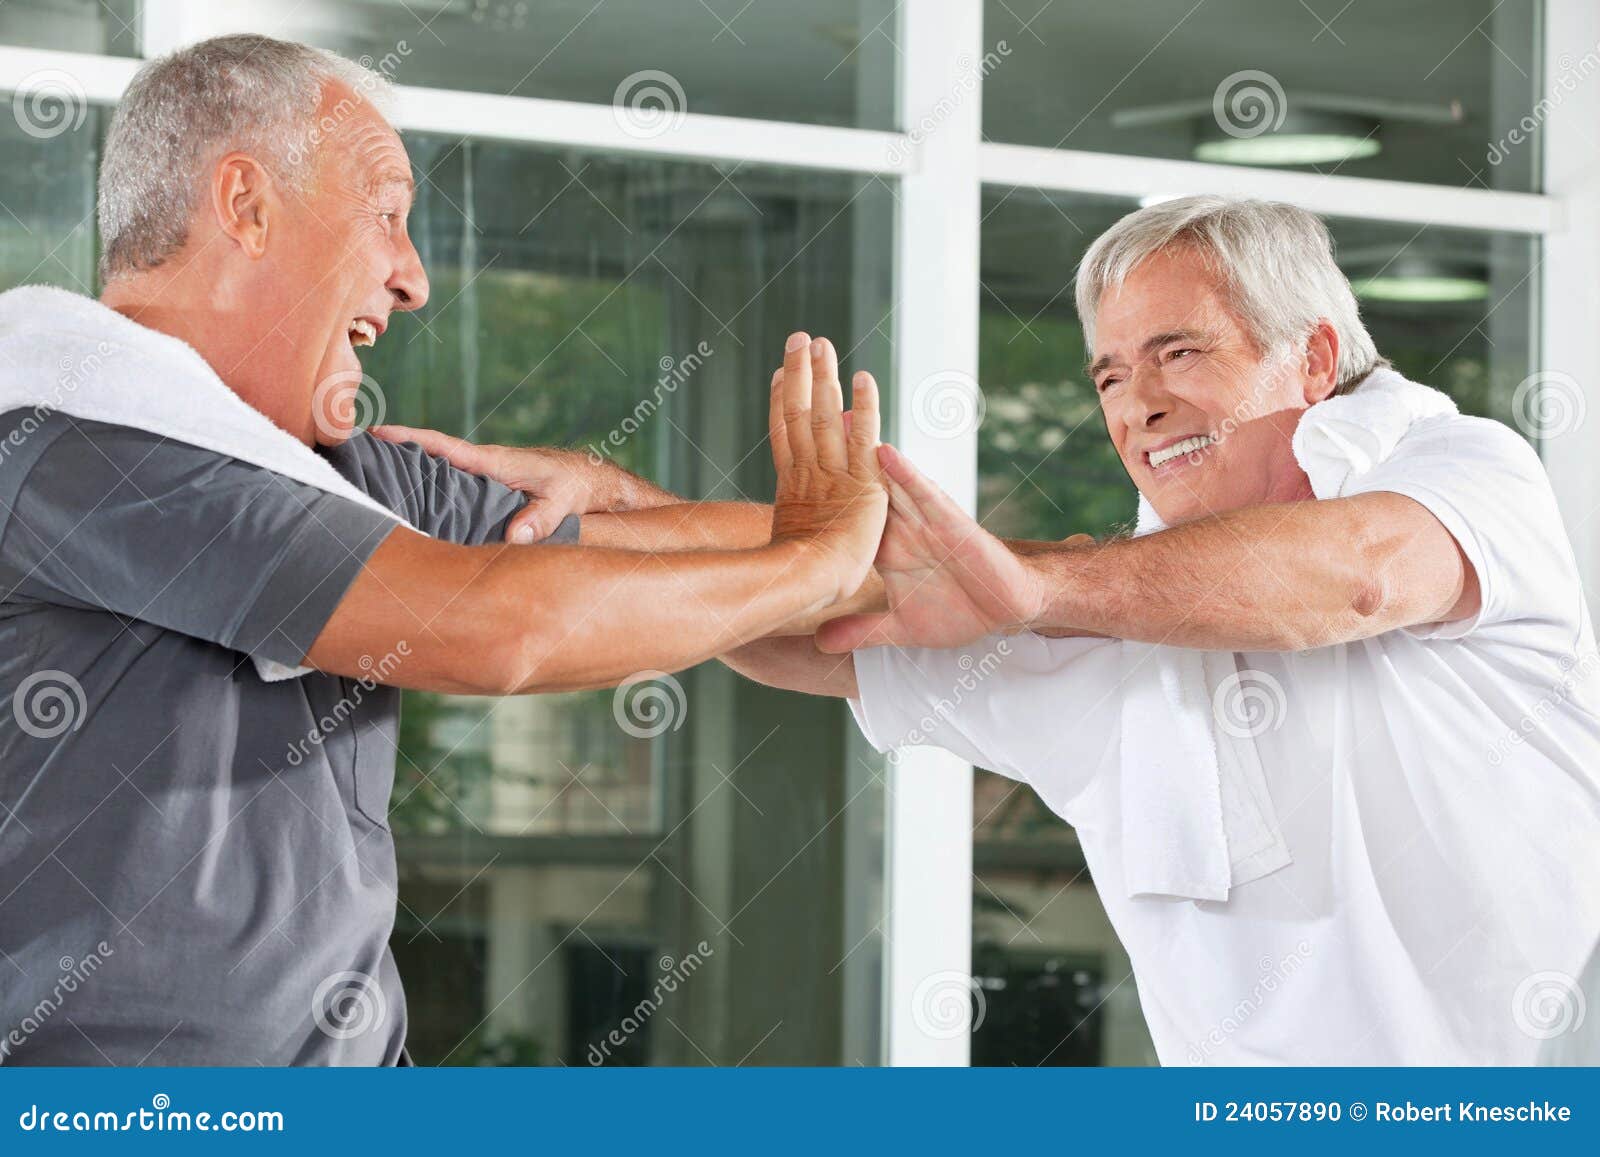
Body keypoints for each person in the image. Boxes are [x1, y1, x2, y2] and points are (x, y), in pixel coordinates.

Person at [437, 196, 1600, 1064]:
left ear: (1311, 356)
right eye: (1107, 375)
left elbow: (1353, 576)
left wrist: (1031, 589)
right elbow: (802, 612)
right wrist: (611, 510)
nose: (1135, 404)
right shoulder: (1112, 612)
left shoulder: (1461, 469)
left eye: (1176, 352)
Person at [0, 34, 880, 1064]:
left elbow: (715, 560)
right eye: (384, 214)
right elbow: (493, 629)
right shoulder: (69, 450)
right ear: (244, 204)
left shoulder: (349, 477)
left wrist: (658, 504)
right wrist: (814, 561)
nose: (414, 278)